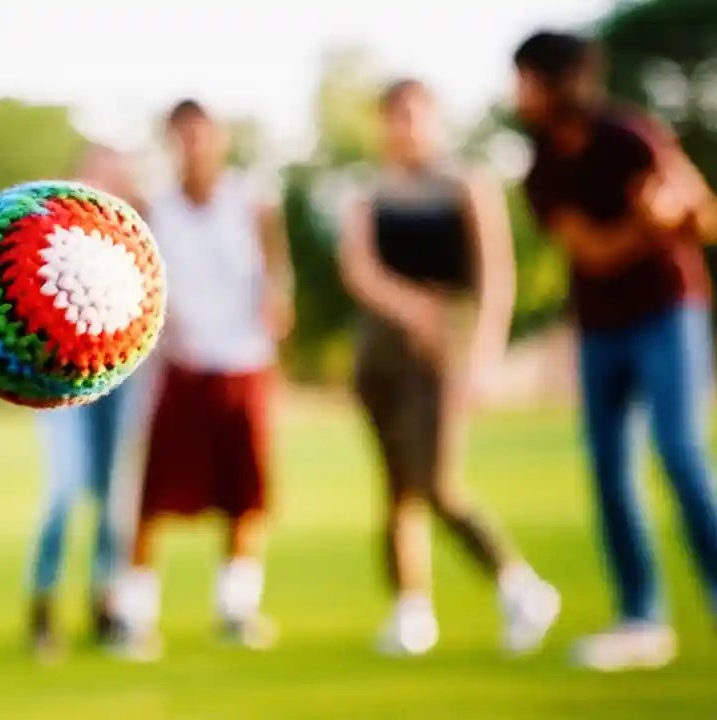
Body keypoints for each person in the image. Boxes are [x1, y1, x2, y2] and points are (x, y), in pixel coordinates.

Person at [514, 30, 717, 671]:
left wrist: (674, 210)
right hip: (601, 325)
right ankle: (641, 619)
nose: (514, 94)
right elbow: (594, 252)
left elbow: (705, 215)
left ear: (555, 83)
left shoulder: (633, 137)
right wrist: (645, 223)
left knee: (679, 451)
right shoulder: (543, 167)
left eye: (523, 79)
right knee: (608, 467)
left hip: (667, 310)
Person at [339, 80, 561, 658]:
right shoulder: (369, 190)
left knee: (438, 483)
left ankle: (521, 588)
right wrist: (407, 305)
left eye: (414, 114)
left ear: (434, 119)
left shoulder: (466, 185)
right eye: (394, 115)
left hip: (443, 349)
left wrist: (485, 354)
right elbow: (358, 268)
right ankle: (411, 612)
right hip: (379, 350)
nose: (404, 125)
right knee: (394, 488)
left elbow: (496, 273)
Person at [112, 99, 293, 660]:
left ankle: (237, 608)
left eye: (201, 135)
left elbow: (277, 274)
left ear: (220, 139)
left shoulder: (252, 202)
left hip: (243, 362)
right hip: (180, 365)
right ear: (170, 143)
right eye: (182, 136)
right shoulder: (153, 208)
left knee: (246, 493)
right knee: (154, 495)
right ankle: (135, 614)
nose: (193, 146)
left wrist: (277, 304)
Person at [27, 144, 149, 659]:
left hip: (119, 379)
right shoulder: (49, 238)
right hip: (59, 382)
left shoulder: (134, 241)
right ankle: (42, 606)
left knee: (114, 496)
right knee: (64, 489)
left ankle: (107, 606)